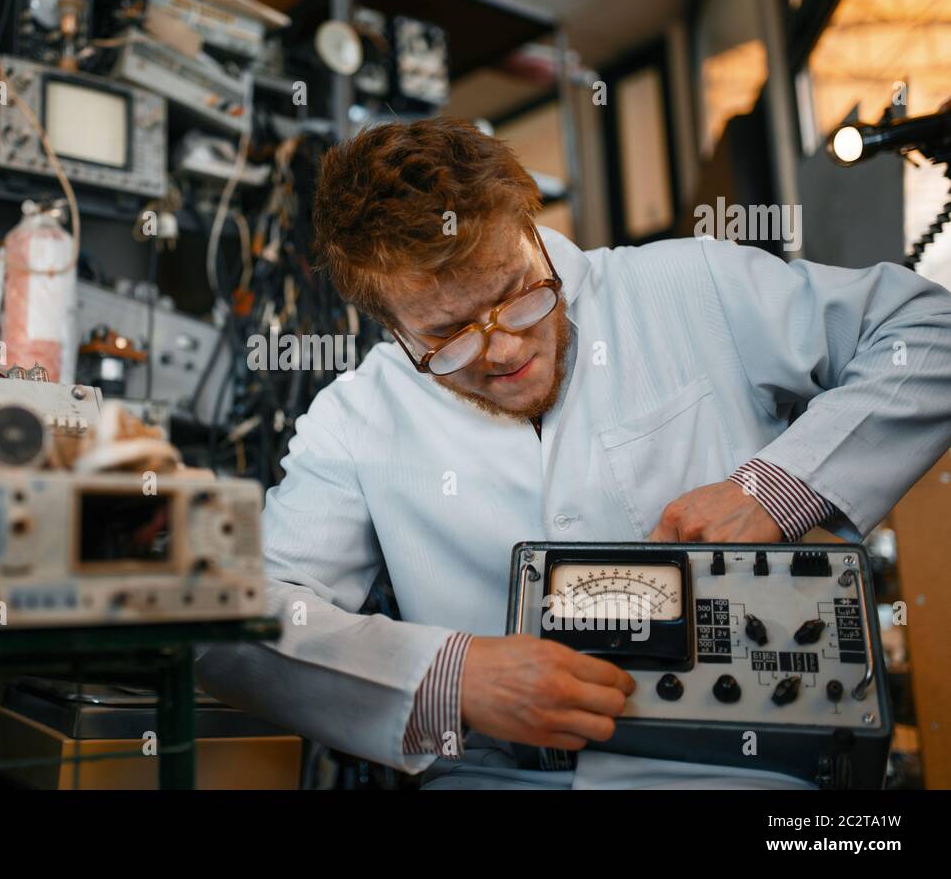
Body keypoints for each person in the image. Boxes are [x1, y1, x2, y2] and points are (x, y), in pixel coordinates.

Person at [196, 117, 951, 788]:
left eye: (518, 292)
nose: (504, 350)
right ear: (390, 326)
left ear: (529, 226)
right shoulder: (354, 420)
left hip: (744, 769)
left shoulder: (690, 283)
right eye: (447, 335)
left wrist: (777, 487)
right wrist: (450, 678)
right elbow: (238, 625)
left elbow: (929, 330)